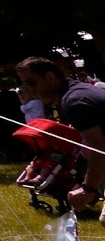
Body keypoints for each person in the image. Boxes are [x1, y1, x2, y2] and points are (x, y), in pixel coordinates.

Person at [16, 56, 105, 212]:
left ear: (50, 77)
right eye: (25, 85)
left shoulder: (74, 101)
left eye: (32, 82)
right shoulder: (78, 91)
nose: (30, 89)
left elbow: (99, 148)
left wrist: (88, 188)